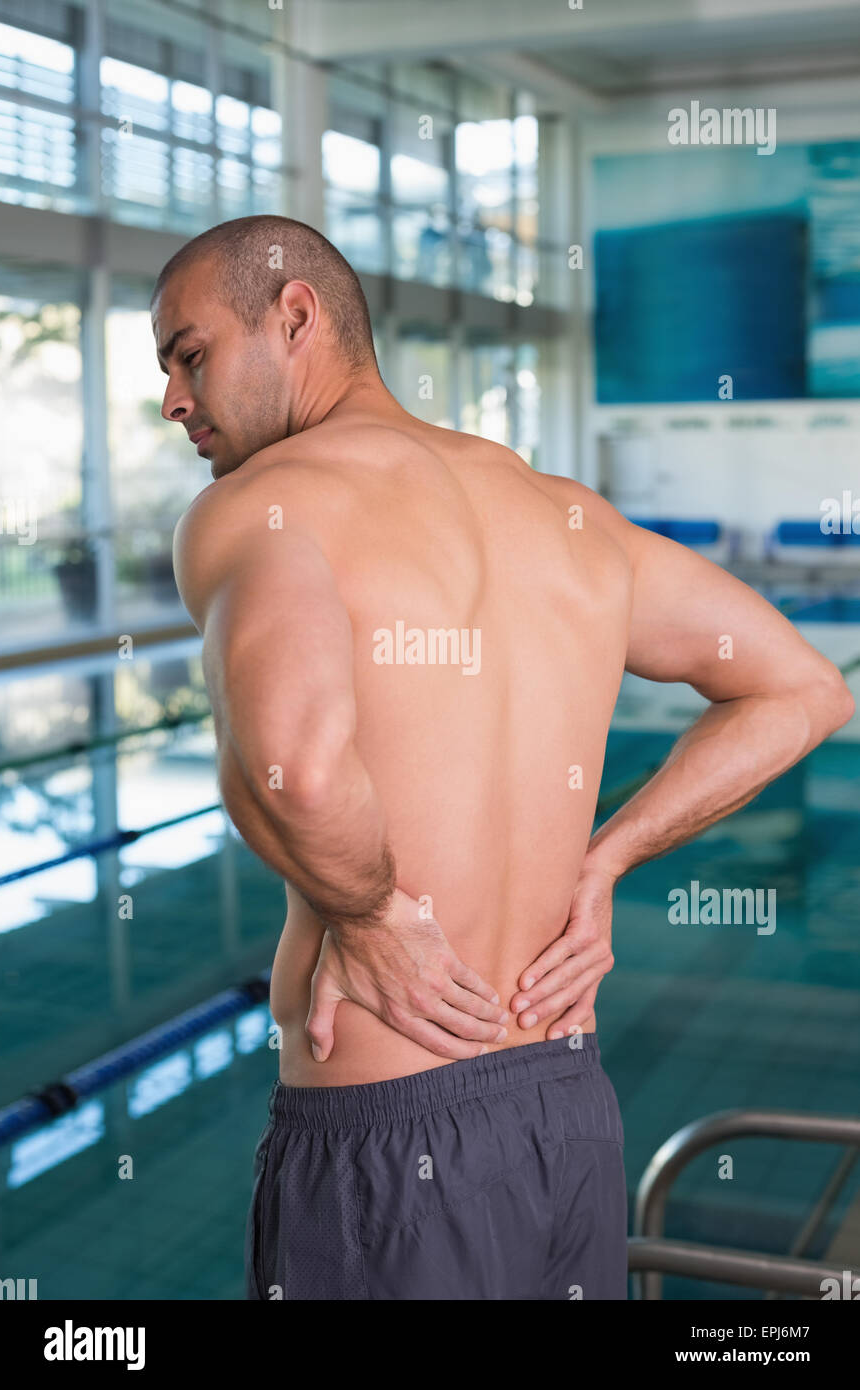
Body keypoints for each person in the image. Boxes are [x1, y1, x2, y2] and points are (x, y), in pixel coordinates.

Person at [152, 215, 854, 1300]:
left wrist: (370, 910)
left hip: (385, 1142)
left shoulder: (260, 508)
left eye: (188, 353)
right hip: (567, 1111)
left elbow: (292, 760)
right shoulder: (567, 518)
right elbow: (802, 689)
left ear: (294, 316)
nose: (174, 401)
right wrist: (603, 859)